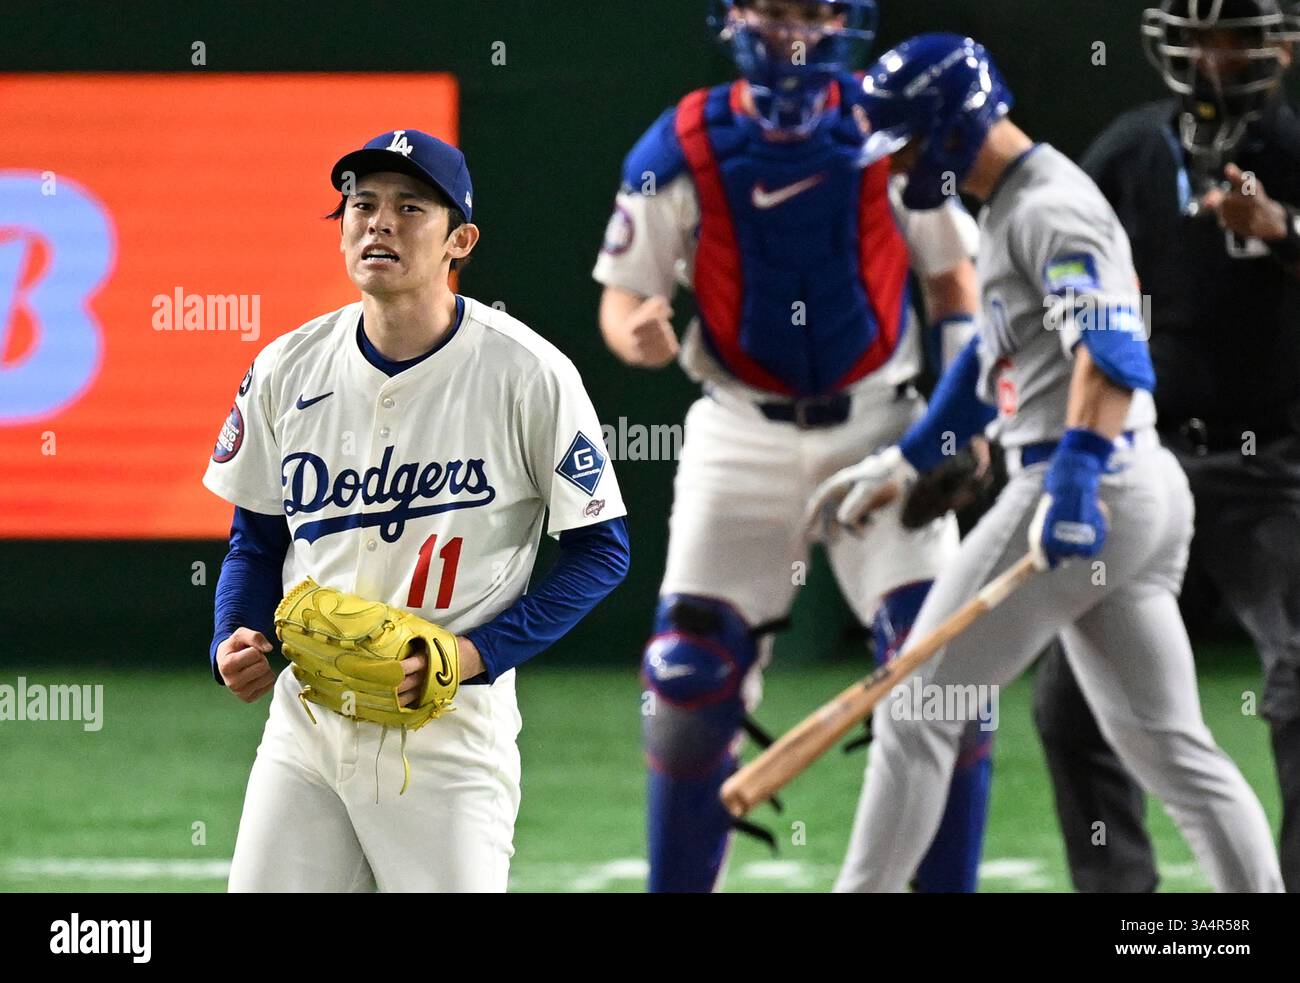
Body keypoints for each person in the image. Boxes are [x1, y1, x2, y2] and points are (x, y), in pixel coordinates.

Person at [810, 32, 1283, 892]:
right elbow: (995, 356)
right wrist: (909, 459)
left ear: (952, 128)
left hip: (1084, 476)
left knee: (921, 707)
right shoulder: (1013, 202)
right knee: (1169, 746)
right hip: (1130, 482)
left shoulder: (1047, 207)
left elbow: (1112, 354)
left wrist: (1071, 483)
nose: (895, 166)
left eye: (907, 143)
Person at [593, 0, 989, 892]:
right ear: (735, 17)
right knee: (685, 682)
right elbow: (623, 295)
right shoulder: (685, 139)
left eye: (817, 10)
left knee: (949, 682)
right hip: (740, 426)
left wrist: (958, 426)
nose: (797, 32)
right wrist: (637, 331)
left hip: (884, 423)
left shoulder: (891, 123)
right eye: (778, 11)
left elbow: (954, 279)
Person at [204, 128, 630, 892]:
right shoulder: (284, 366)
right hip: (307, 727)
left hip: (447, 736)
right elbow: (255, 540)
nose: (379, 223)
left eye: (410, 207)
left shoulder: (528, 372)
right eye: (361, 205)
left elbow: (602, 550)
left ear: (459, 240)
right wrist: (234, 630)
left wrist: (475, 655)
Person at [1033, 0, 1300, 892]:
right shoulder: (1131, 151)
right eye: (1200, 39)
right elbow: (1063, 287)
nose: (1216, 59)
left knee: (1299, 683)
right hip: (1148, 461)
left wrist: (1285, 232)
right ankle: (1122, 906)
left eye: (1234, 39)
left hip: (1275, 471)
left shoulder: (1294, 153)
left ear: (1281, 50)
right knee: (1069, 705)